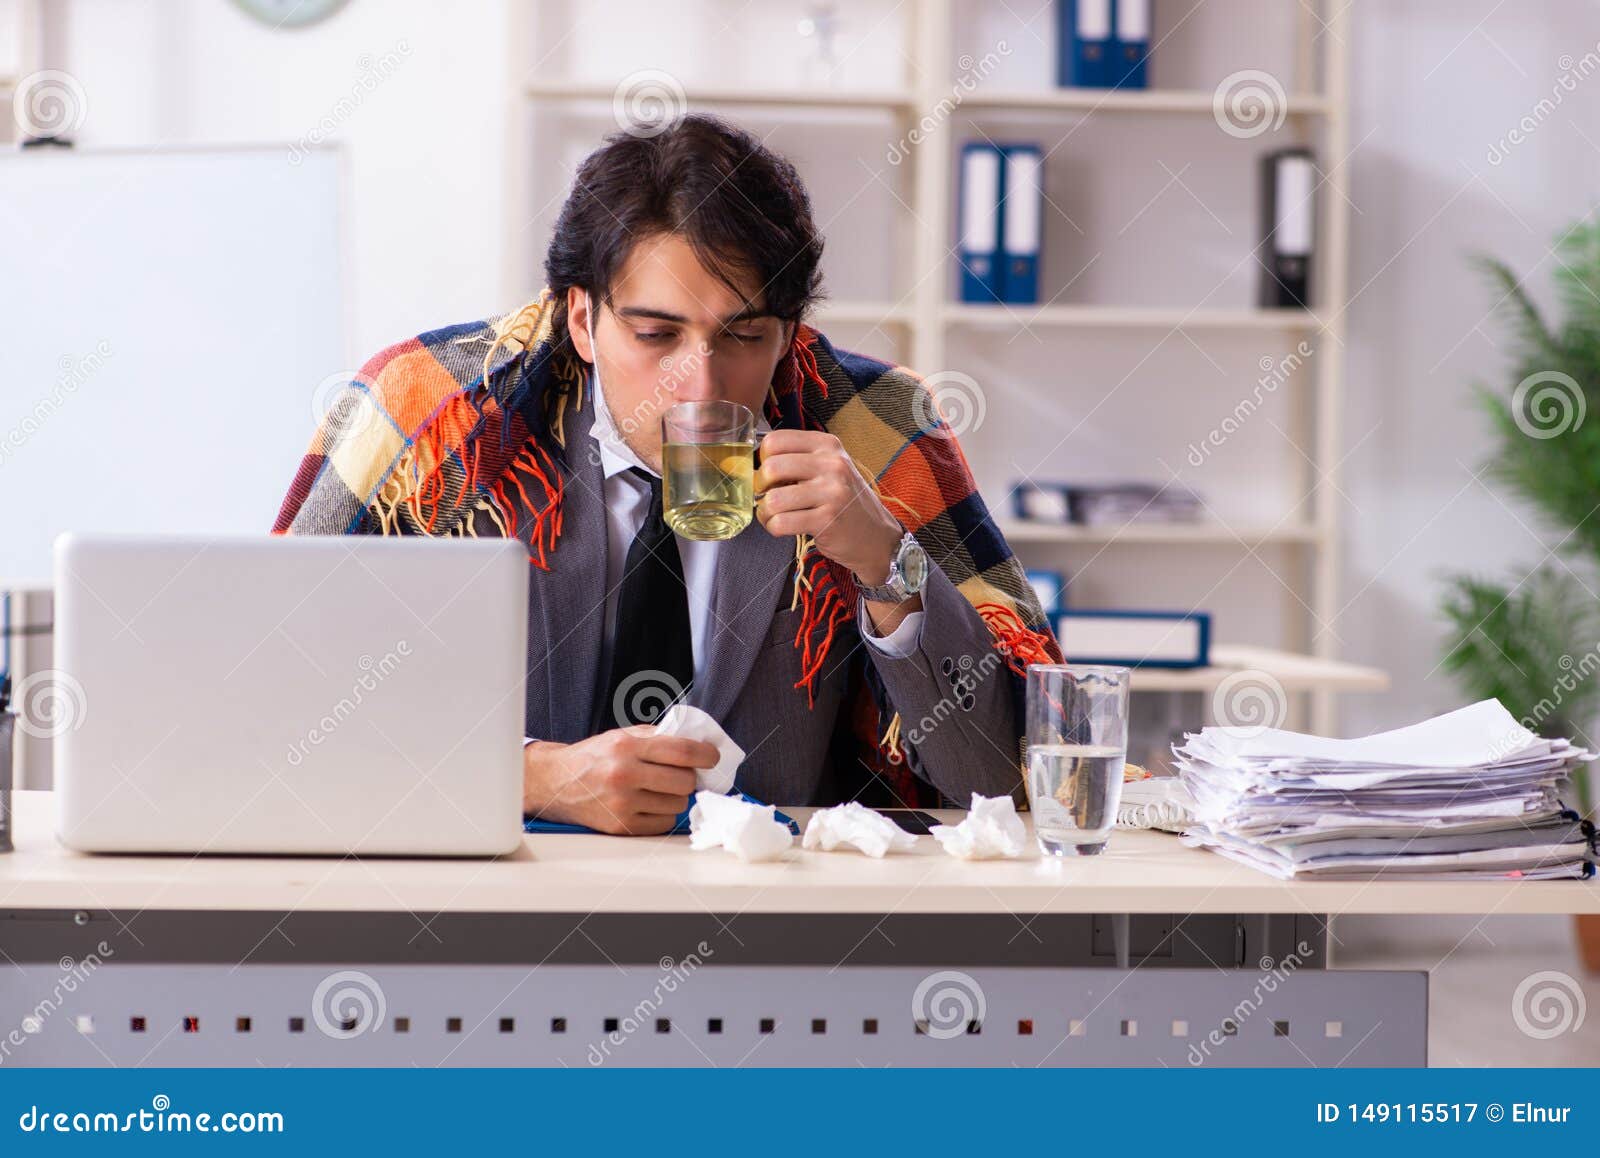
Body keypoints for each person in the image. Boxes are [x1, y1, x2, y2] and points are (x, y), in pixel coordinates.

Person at [274, 113, 1060, 835]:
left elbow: (1005, 780)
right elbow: (277, 719)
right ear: (580, 319)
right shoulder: (428, 413)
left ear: (790, 333)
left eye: (746, 335)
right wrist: (529, 776)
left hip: (783, 936)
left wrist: (889, 563)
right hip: (485, 922)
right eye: (655, 333)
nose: (701, 386)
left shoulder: (877, 425)